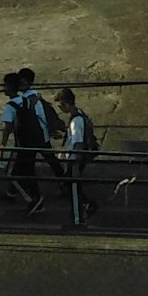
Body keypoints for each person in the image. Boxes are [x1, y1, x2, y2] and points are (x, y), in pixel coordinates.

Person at [0, 71, 50, 214]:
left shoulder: (9, 107)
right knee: (28, 171)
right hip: (32, 141)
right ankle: (28, 196)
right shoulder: (25, 100)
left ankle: (34, 199)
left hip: (22, 144)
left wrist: (2, 146)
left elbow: (7, 128)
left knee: (14, 174)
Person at [53, 87, 100, 230]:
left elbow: (78, 142)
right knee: (72, 187)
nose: (60, 109)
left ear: (67, 104)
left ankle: (78, 220)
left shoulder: (76, 121)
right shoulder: (80, 115)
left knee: (72, 188)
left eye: (61, 106)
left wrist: (74, 160)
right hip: (76, 157)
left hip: (75, 159)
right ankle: (86, 205)